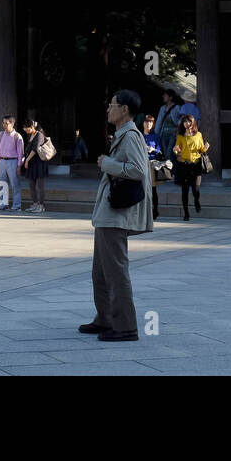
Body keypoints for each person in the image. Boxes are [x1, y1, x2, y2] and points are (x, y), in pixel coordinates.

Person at [81, 89, 152, 343]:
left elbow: (137, 171)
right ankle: (105, 318)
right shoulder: (123, 134)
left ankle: (125, 326)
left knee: (116, 271)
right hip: (108, 213)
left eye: (112, 105)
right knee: (100, 272)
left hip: (116, 214)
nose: (108, 109)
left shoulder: (131, 135)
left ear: (124, 110)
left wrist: (106, 163)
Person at [172, 113, 209, 221]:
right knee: (185, 191)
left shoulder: (198, 135)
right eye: (184, 122)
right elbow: (176, 149)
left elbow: (201, 150)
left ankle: (196, 201)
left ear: (193, 123)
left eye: (188, 121)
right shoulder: (180, 136)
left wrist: (205, 148)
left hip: (196, 165)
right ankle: (186, 213)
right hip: (184, 165)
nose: (186, 123)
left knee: (196, 189)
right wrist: (175, 150)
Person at [0, 115, 25, 211]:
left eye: (7, 123)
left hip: (13, 161)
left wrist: (19, 166)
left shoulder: (17, 136)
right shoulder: (0, 135)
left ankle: (17, 205)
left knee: (15, 184)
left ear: (12, 124)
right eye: (3, 123)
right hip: (2, 161)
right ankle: (3, 204)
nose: (5, 125)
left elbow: (20, 153)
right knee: (2, 183)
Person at [20, 118, 50, 213]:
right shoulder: (31, 136)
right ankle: (35, 204)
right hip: (32, 164)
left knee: (39, 186)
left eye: (26, 128)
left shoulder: (39, 135)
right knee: (31, 185)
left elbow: (35, 149)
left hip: (39, 163)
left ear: (32, 127)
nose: (25, 130)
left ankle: (41, 206)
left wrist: (27, 160)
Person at [142, 113, 164, 220]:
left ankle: (155, 210)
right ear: (143, 123)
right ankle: (143, 211)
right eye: (147, 122)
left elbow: (160, 151)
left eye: (151, 122)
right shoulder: (139, 136)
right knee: (142, 189)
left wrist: (153, 149)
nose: (149, 124)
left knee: (153, 189)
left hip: (151, 163)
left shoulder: (155, 136)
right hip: (141, 163)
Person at [155, 89, 182, 162]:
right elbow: (159, 121)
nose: (163, 96)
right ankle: (169, 171)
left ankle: (170, 172)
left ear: (170, 97)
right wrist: (156, 133)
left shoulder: (177, 108)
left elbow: (181, 119)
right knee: (165, 153)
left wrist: (178, 127)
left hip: (173, 134)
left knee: (168, 154)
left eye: (165, 95)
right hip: (163, 134)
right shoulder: (162, 108)